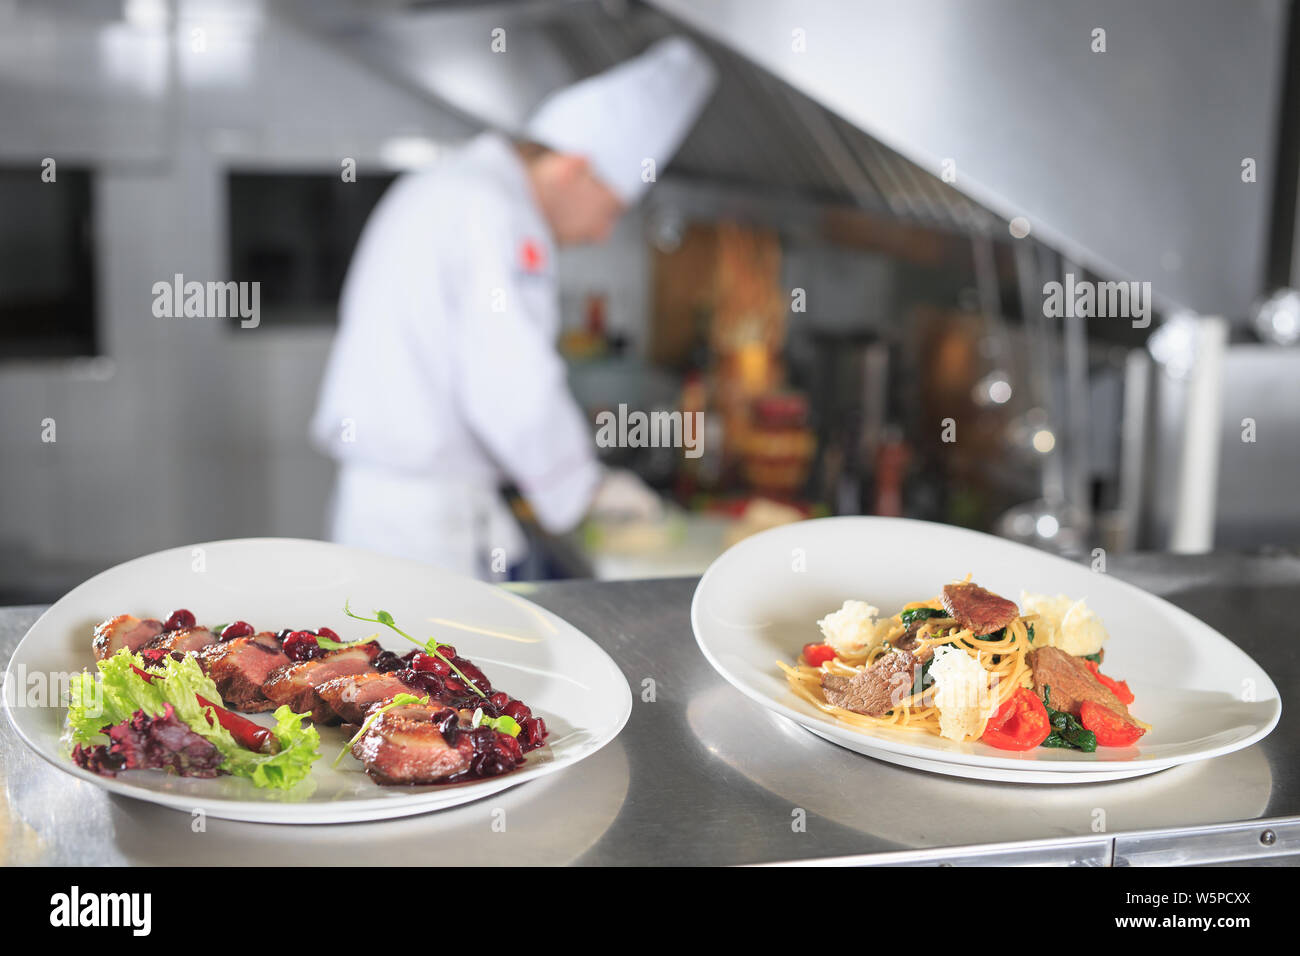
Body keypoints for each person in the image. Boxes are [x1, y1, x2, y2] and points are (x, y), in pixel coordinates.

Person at [310, 37, 716, 576]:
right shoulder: (499, 214)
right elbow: (511, 381)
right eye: (611, 209)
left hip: (389, 511)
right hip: (426, 531)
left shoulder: (452, 184)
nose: (601, 233)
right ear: (572, 168)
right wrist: (587, 490)